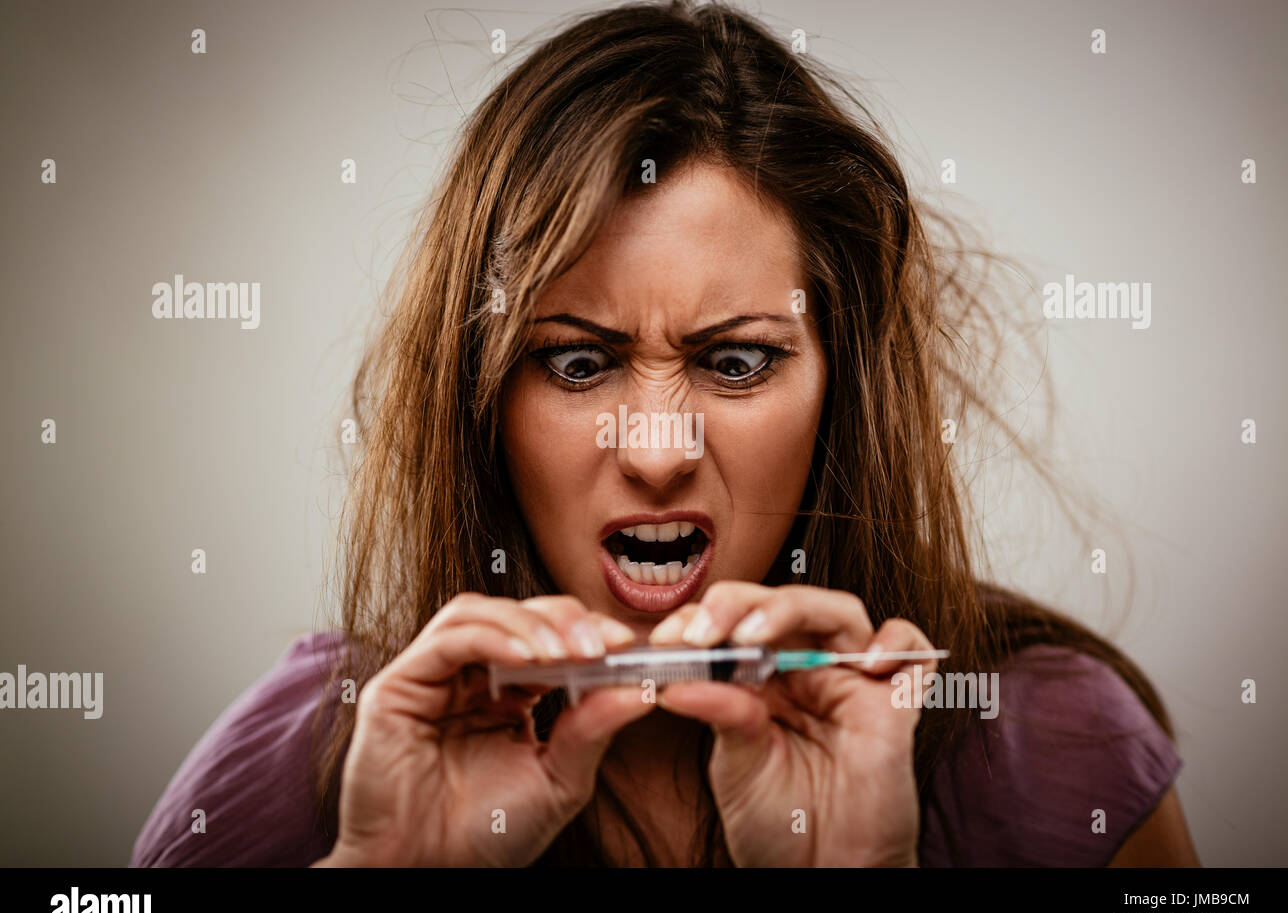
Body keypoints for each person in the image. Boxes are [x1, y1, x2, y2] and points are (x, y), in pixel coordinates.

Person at [132, 0, 1198, 868]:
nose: (654, 452)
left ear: (843, 384)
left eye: (735, 362)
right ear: (477, 393)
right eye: (577, 362)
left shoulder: (1046, 745)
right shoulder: (300, 770)